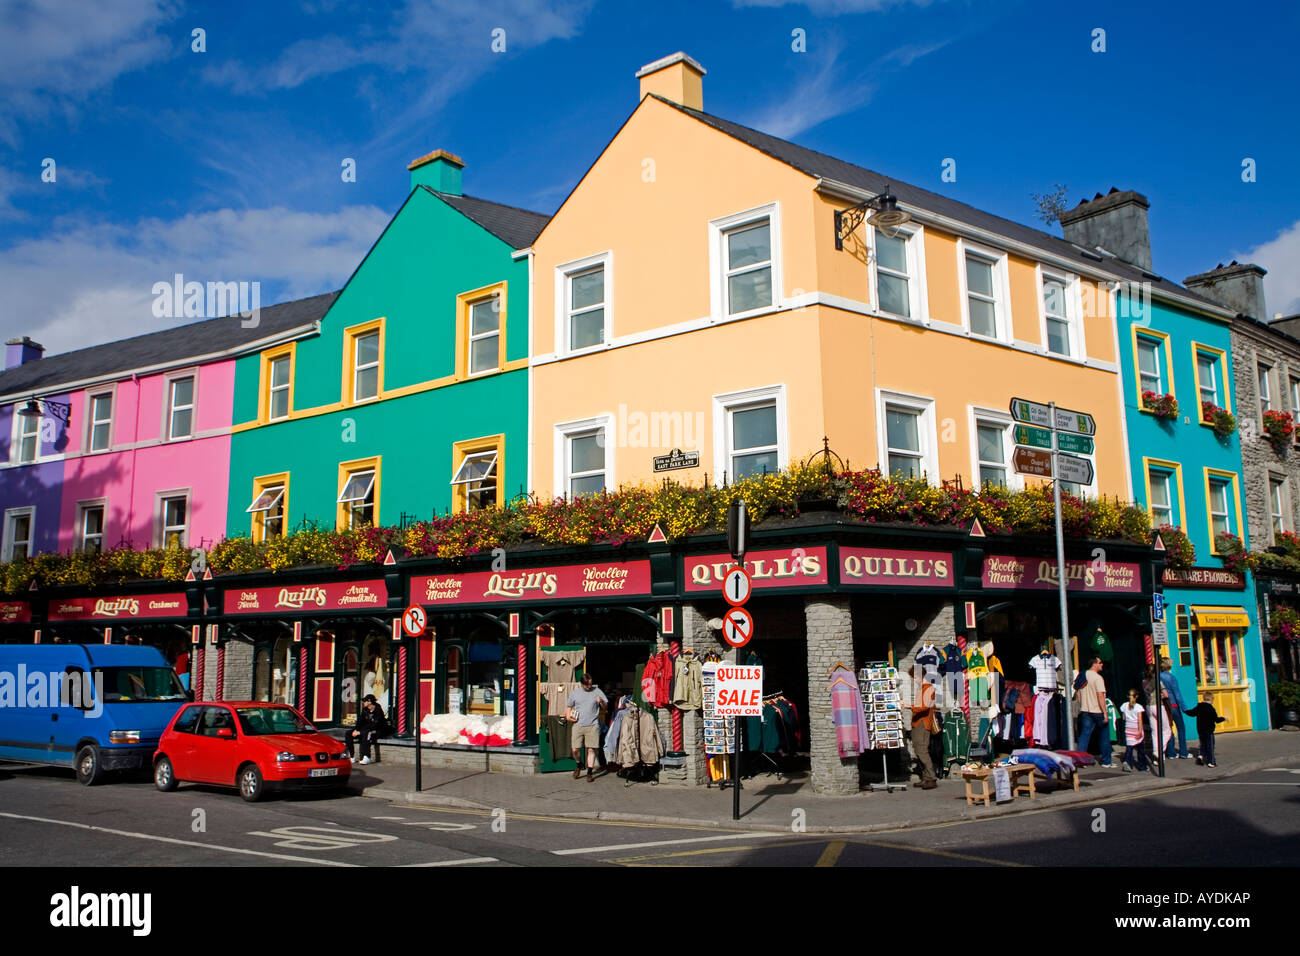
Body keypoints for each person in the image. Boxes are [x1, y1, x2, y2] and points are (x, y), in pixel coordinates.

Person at [566, 673, 608, 782]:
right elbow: (569, 707)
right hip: (578, 724)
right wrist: (568, 717)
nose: (589, 687)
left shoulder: (597, 691)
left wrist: (601, 701)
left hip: (593, 725)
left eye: (590, 684)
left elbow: (605, 706)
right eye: (587, 685)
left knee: (591, 749)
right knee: (575, 749)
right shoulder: (575, 693)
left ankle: (589, 773)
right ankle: (579, 764)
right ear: (582, 684)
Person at [1075, 657, 1112, 766]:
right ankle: (1106, 761)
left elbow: (1078, 692)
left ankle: (1080, 760)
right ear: (1094, 664)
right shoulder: (1098, 678)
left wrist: (1081, 704)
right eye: (1100, 663)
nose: (1102, 665)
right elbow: (1100, 695)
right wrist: (1105, 713)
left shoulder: (1082, 675)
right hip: (1097, 711)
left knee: (1084, 735)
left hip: (1085, 710)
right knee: (1104, 736)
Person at [910, 679, 940, 790]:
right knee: (918, 750)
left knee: (922, 750)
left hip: (923, 723)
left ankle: (931, 778)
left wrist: (910, 706)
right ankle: (926, 777)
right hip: (918, 723)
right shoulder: (922, 689)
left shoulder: (928, 688)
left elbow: (924, 706)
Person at [1159, 658, 1190, 758]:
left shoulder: (1158, 677)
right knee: (1181, 728)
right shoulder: (1171, 678)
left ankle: (1171, 752)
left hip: (1164, 705)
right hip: (1174, 705)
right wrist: (1184, 707)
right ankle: (1183, 752)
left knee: (1168, 728)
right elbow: (1177, 694)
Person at [1185, 693, 1227, 767]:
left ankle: (1200, 756)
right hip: (1209, 730)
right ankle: (1211, 762)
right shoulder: (1211, 708)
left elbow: (1192, 713)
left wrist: (1185, 710)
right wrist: (1223, 718)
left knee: (1203, 744)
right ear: (1211, 699)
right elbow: (1216, 720)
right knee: (1210, 746)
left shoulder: (1199, 706)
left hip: (1200, 730)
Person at [345, 694, 386, 765]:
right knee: (348, 733)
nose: (363, 702)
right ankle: (351, 756)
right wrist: (356, 729)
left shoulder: (378, 710)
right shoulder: (365, 710)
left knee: (367, 733)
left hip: (377, 730)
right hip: (365, 730)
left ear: (369, 702)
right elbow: (360, 721)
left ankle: (367, 757)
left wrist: (360, 732)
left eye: (365, 701)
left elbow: (375, 725)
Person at [1118, 689, 1150, 773]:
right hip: (1136, 728)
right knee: (1140, 749)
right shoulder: (1138, 707)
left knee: (1129, 748)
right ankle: (1142, 766)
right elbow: (1140, 720)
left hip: (1128, 728)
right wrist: (1140, 731)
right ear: (1136, 696)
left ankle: (1128, 762)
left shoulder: (1124, 705)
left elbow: (1123, 717)